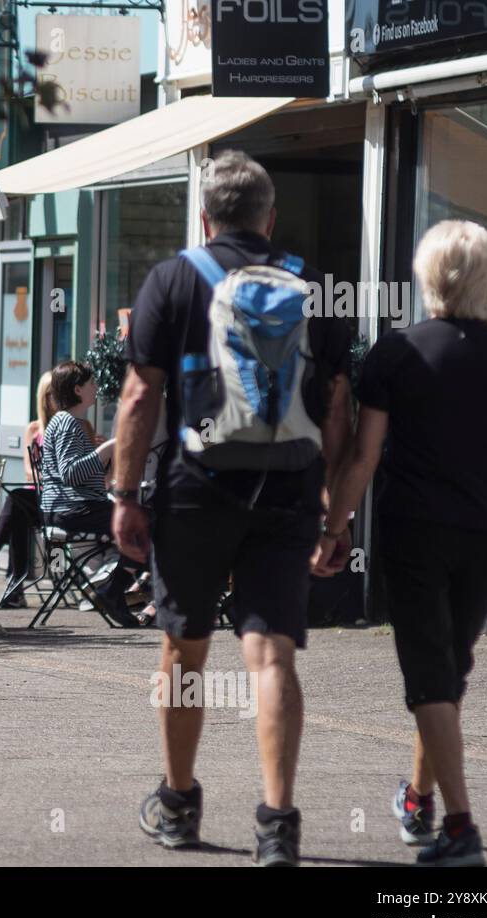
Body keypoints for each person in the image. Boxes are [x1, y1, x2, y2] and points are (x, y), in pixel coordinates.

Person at [110, 150, 352, 866]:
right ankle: (278, 823)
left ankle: (179, 804)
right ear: (271, 218)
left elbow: (138, 396)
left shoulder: (175, 278)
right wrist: (335, 510)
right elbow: (336, 404)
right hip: (289, 488)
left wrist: (125, 496)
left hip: (196, 487)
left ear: (205, 216)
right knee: (271, 655)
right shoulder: (313, 284)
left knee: (185, 647)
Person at [314, 220, 487, 866]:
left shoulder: (396, 354)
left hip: (415, 532)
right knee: (446, 673)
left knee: (431, 677)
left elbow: (364, 458)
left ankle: (460, 829)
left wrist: (333, 528)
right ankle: (419, 800)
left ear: (427, 277)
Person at [38, 360, 139, 625]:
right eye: (91, 383)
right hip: (71, 510)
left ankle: (113, 591)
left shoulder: (67, 422)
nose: (96, 387)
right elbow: (71, 474)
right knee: (141, 525)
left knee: (141, 525)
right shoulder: (68, 423)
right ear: (77, 390)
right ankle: (112, 591)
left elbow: (81, 475)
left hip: (69, 509)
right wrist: (110, 448)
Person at [0, 370, 53, 608]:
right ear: (43, 397)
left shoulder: (75, 427)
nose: (54, 399)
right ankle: (14, 590)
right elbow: (29, 470)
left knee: (17, 501)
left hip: (54, 502)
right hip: (33, 500)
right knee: (18, 509)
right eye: (50, 394)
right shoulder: (34, 430)